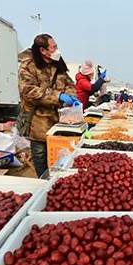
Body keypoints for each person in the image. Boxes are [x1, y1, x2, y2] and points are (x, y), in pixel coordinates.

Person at [17, 33, 80, 177]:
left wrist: (71, 96)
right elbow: (29, 91)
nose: (57, 50)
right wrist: (58, 96)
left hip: (60, 122)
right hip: (38, 122)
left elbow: (69, 83)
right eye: (54, 47)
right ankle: (43, 184)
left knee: (59, 158)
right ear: (43, 51)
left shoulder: (57, 64)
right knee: (41, 158)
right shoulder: (29, 66)